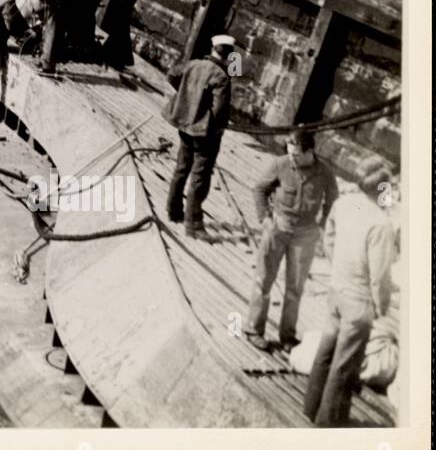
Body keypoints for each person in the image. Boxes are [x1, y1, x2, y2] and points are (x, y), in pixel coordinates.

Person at [303, 159, 399, 427]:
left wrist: (338, 266)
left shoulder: (344, 204)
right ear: (382, 189)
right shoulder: (381, 223)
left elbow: (329, 236)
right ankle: (329, 422)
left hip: (336, 290)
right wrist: (381, 307)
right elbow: (380, 276)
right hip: (358, 303)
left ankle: (310, 408)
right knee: (344, 365)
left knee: (326, 351)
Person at [244, 130, 338, 352]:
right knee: (263, 280)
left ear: (309, 152)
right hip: (278, 228)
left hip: (305, 235)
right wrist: (264, 219)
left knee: (295, 288)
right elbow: (259, 189)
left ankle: (287, 336)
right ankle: (253, 329)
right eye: (289, 153)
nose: (292, 158)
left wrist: (323, 226)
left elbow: (332, 202)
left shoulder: (325, 173)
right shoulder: (280, 164)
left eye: (296, 154)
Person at [163, 34, 238, 238]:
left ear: (213, 48)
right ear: (229, 55)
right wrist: (216, 127)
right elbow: (220, 111)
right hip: (205, 133)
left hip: (185, 125)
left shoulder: (193, 65)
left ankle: (173, 210)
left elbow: (172, 75)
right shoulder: (222, 76)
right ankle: (193, 224)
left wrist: (187, 96)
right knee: (200, 176)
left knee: (181, 167)